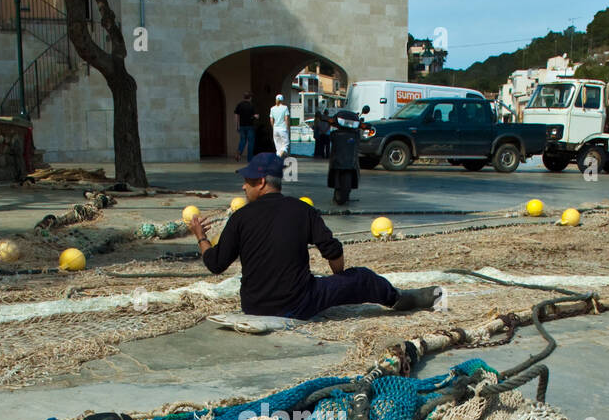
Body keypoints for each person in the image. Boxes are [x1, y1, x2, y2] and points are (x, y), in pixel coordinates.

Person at [186, 153, 441, 320]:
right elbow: (333, 250)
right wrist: (340, 276)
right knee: (361, 277)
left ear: (262, 182)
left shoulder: (240, 217)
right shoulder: (302, 210)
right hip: (298, 304)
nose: (243, 186)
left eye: (247, 181)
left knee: (336, 282)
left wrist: (200, 236)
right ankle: (399, 299)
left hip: (253, 307)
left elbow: (215, 264)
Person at [234, 92, 256, 162]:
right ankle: (250, 159)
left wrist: (237, 125)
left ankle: (239, 153)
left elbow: (236, 116)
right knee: (250, 142)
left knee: (242, 140)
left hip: (242, 126)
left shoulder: (239, 105)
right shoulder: (251, 105)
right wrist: (256, 116)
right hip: (250, 126)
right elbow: (253, 116)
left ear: (244, 97)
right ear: (250, 98)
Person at [269, 94, 290, 158]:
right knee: (285, 145)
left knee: (278, 147)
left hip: (275, 129)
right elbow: (286, 118)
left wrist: (273, 127)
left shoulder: (272, 108)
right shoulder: (285, 108)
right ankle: (280, 157)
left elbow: (271, 120)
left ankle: (278, 160)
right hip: (283, 128)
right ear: (282, 100)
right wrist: (287, 127)